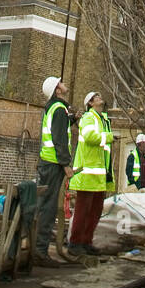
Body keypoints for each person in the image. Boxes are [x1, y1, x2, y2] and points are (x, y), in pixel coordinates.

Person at [68, 91, 114, 257]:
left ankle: (87, 241)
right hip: (87, 172)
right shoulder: (89, 117)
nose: (100, 98)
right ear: (90, 103)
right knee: (83, 209)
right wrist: (108, 137)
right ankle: (75, 242)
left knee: (95, 210)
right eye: (96, 97)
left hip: (100, 172)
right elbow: (89, 136)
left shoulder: (103, 120)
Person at [34, 75, 74, 267]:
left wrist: (72, 119)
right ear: (57, 90)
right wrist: (66, 165)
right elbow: (59, 139)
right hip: (53, 164)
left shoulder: (54, 109)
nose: (64, 84)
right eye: (61, 83)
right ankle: (40, 251)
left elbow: (58, 128)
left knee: (45, 205)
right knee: (49, 207)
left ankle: (38, 247)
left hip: (47, 163)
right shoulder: (59, 109)